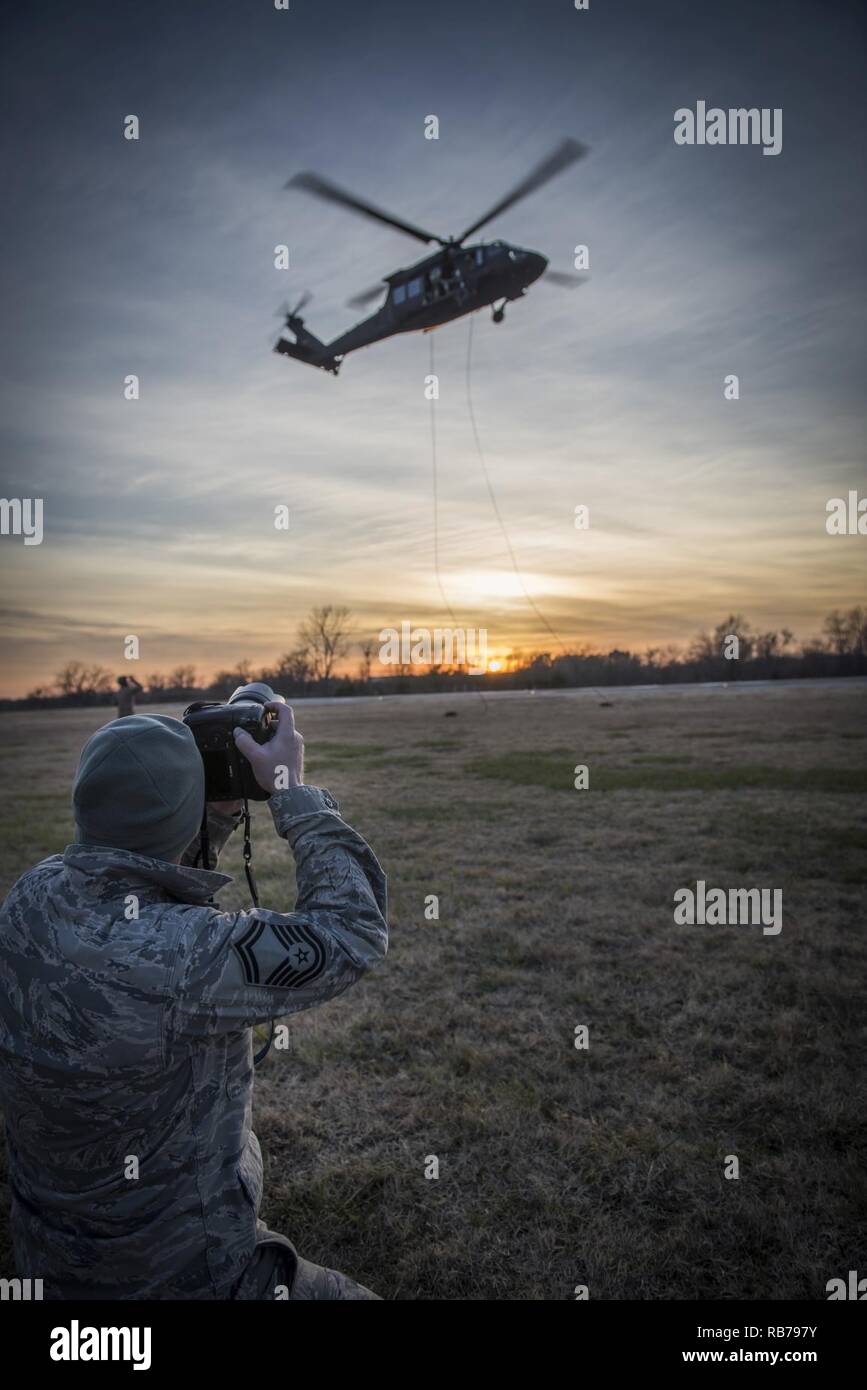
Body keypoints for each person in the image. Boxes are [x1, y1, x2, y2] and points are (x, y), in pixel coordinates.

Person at [0, 703, 388, 1299]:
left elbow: (147, 858)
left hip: (50, 1264)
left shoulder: (32, 896)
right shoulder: (184, 955)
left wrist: (213, 810)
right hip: (181, 1276)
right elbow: (350, 934)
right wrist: (291, 792)